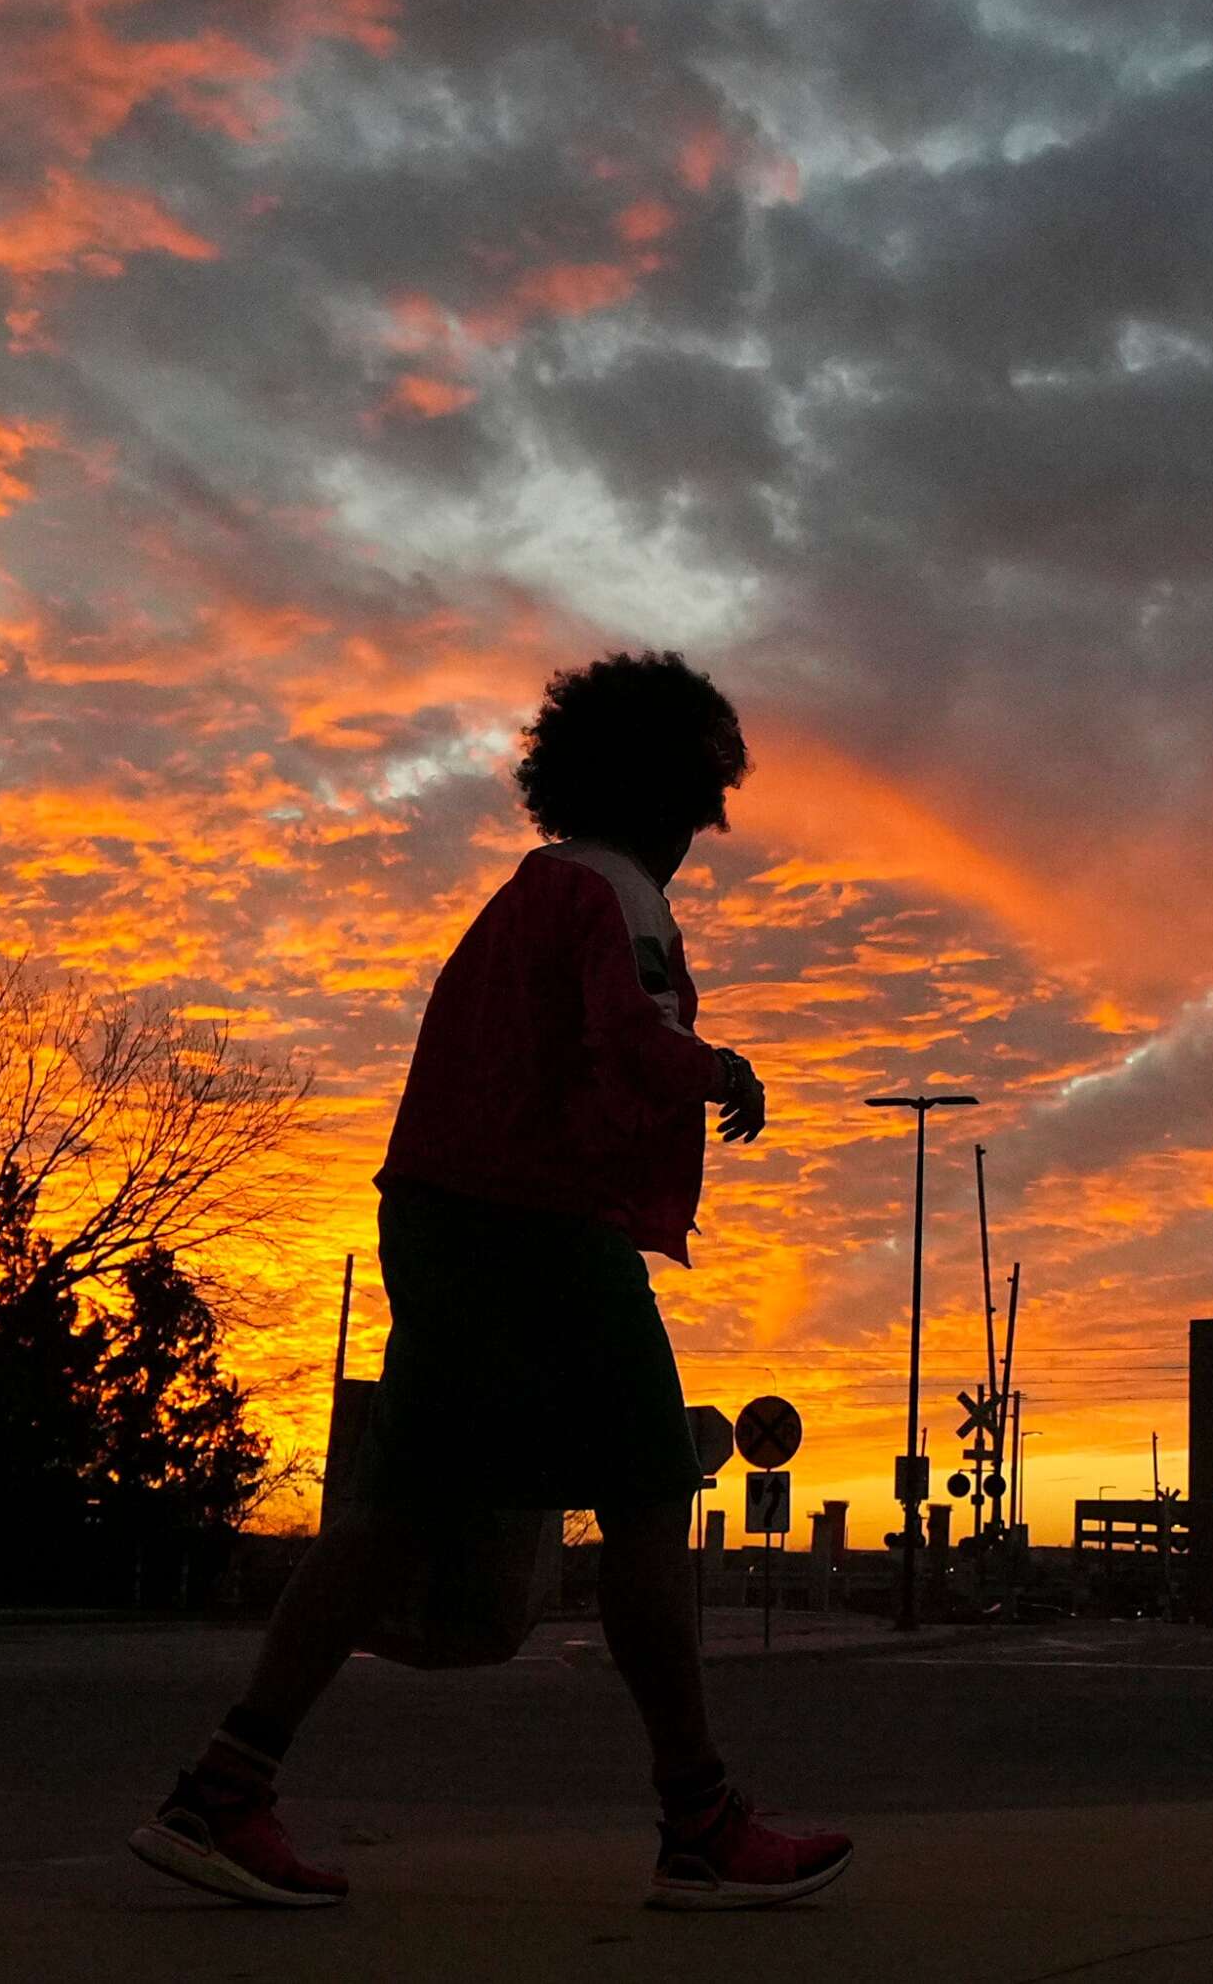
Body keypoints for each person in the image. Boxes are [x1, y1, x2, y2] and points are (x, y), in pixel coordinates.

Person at [129, 651, 853, 1914]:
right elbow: (632, 1033)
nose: (697, 835)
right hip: (540, 1233)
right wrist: (722, 1068)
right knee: (643, 1496)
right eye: (699, 807)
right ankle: (698, 1822)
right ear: (669, 792)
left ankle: (222, 1789)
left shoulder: (524, 893)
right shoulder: (611, 888)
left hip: (444, 1222)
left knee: (395, 1510)